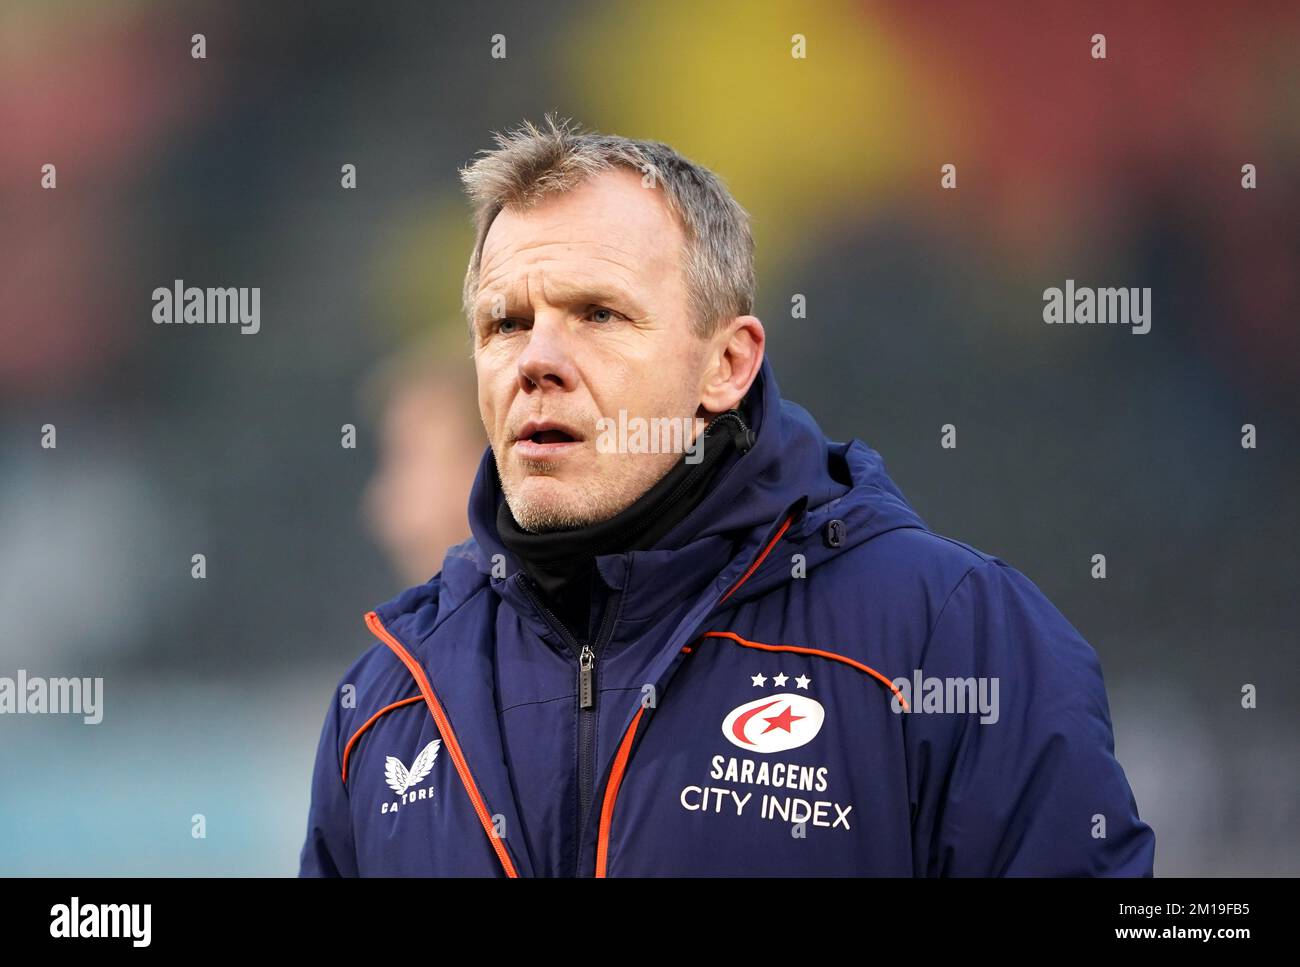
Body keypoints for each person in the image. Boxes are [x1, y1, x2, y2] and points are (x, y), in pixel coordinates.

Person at [299, 114, 1155, 876]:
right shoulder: (384, 706)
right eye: (504, 324)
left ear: (728, 364)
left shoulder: (952, 636)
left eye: (598, 313)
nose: (536, 360)